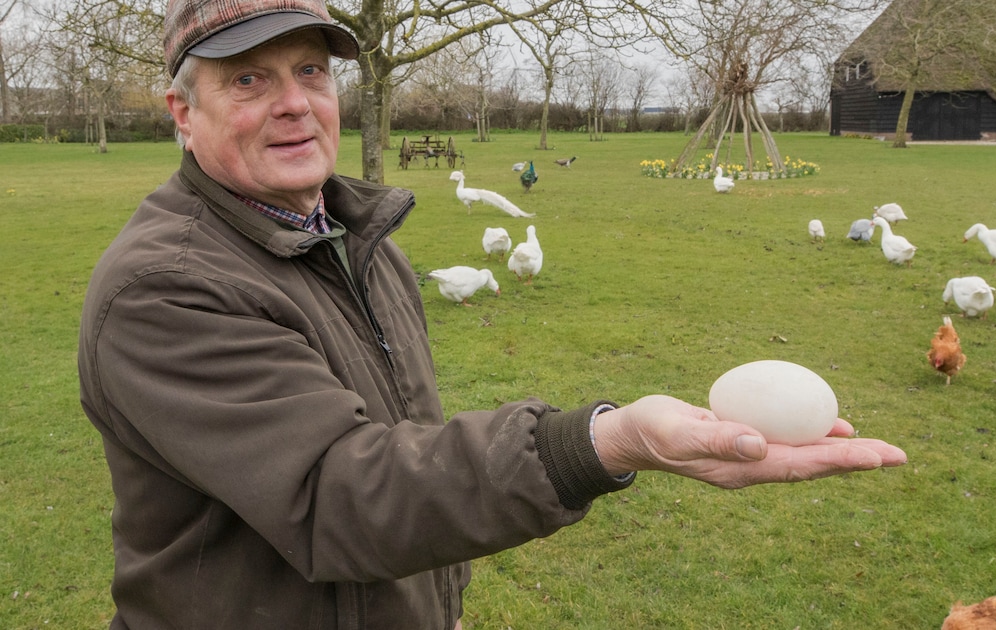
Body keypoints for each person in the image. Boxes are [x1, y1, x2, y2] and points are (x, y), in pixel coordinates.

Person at [76, 1, 907, 628]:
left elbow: (403, 438)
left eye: (311, 71)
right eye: (250, 79)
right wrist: (601, 442)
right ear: (183, 114)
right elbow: (340, 494)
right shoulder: (164, 289)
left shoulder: (358, 242)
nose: (295, 103)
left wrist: (443, 602)